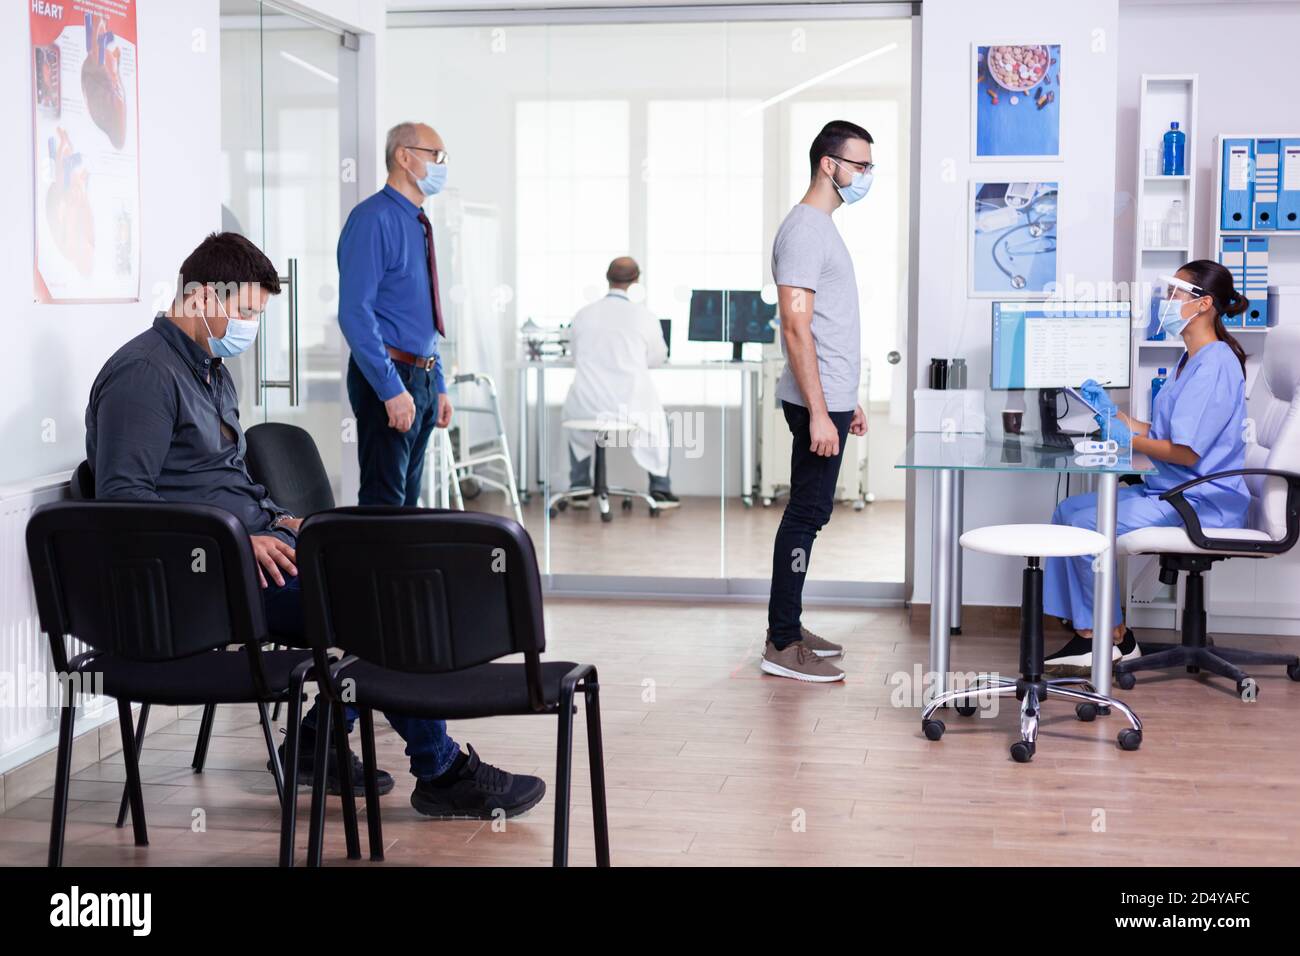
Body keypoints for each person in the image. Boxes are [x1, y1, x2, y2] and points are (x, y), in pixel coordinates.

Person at [86, 232, 545, 819]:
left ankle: (316, 744)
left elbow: (224, 481)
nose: (251, 325)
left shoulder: (208, 368)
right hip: (205, 584)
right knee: (380, 605)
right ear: (201, 298)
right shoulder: (144, 376)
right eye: (246, 311)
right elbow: (121, 508)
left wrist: (280, 521)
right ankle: (439, 769)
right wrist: (234, 542)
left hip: (257, 554)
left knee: (384, 566)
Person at [1043, 260, 1252, 674]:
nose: (1167, 301)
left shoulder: (1215, 364)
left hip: (1199, 498)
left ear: (1204, 304)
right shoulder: (1189, 359)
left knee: (1087, 526)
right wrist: (1113, 415)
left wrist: (1129, 441)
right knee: (1067, 512)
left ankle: (1108, 636)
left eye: (1176, 293)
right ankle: (1098, 633)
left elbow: (1187, 453)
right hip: (1172, 488)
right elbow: (1164, 429)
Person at [761, 121, 872, 683]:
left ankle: (790, 625)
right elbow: (797, 329)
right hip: (812, 405)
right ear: (830, 164)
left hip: (829, 400)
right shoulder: (804, 230)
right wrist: (822, 411)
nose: (865, 175)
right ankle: (781, 641)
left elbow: (830, 326)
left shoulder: (823, 228)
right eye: (859, 165)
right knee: (805, 515)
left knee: (813, 513)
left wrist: (847, 402)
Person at [337, 121, 454, 507]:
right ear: (404, 157)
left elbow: (421, 314)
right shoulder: (373, 219)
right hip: (389, 374)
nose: (441, 165)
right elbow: (355, 313)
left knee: (406, 502)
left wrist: (437, 383)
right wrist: (391, 389)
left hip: (419, 376)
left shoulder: (418, 222)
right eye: (435, 156)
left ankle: (403, 571)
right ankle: (372, 571)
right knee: (383, 505)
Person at [561, 256, 678, 508]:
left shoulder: (583, 315)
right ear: (636, 279)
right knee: (657, 421)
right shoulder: (644, 316)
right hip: (629, 406)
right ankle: (660, 489)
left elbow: (574, 355)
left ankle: (579, 487)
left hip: (587, 404)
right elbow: (657, 358)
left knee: (578, 420)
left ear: (607, 278)